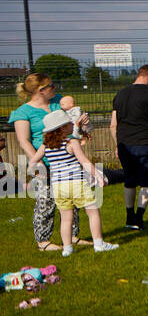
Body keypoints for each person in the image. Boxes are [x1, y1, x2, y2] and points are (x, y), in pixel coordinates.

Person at [11, 73, 86, 250]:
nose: (55, 89)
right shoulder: (23, 112)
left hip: (67, 159)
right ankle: (43, 241)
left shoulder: (59, 102)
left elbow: (71, 124)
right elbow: (24, 140)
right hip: (44, 160)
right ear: (41, 91)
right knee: (46, 200)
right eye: (51, 86)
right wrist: (37, 162)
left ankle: (73, 235)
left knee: (72, 197)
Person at [33, 110, 116, 256]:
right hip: (76, 183)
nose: (73, 124)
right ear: (63, 128)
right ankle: (99, 244)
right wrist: (97, 175)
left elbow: (33, 161)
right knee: (93, 211)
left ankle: (67, 249)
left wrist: (37, 171)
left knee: (65, 218)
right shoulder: (71, 142)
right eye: (70, 123)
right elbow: (84, 161)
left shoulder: (45, 146)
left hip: (58, 186)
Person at [110, 64, 148, 231]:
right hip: (145, 142)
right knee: (147, 181)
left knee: (130, 180)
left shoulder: (120, 94)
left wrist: (117, 145)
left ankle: (129, 215)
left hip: (125, 144)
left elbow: (113, 125)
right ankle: (139, 217)